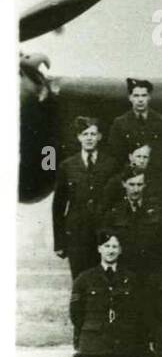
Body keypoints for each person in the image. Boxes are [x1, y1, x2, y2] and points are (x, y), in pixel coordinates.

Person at [53, 116, 114, 278]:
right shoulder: (67, 166)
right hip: (77, 235)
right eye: (85, 134)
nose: (89, 138)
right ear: (78, 137)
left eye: (93, 134)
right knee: (80, 279)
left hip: (104, 234)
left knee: (105, 278)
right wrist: (59, 242)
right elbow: (58, 207)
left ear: (99, 137)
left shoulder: (110, 165)